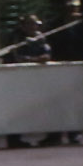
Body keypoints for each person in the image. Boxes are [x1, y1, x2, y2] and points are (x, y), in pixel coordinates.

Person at [38, 0, 83, 146]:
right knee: (56, 101)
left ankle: (74, 133)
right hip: (59, 65)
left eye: (74, 7)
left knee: (75, 101)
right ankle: (55, 134)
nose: (71, 11)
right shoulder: (57, 24)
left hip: (77, 65)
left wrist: (82, 17)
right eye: (69, 7)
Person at [5, 12, 49, 149]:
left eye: (35, 24)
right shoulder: (16, 38)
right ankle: (14, 138)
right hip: (18, 79)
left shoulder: (40, 38)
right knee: (17, 108)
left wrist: (32, 59)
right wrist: (33, 59)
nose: (33, 27)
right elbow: (18, 58)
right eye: (30, 24)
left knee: (45, 105)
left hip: (38, 79)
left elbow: (46, 56)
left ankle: (53, 135)